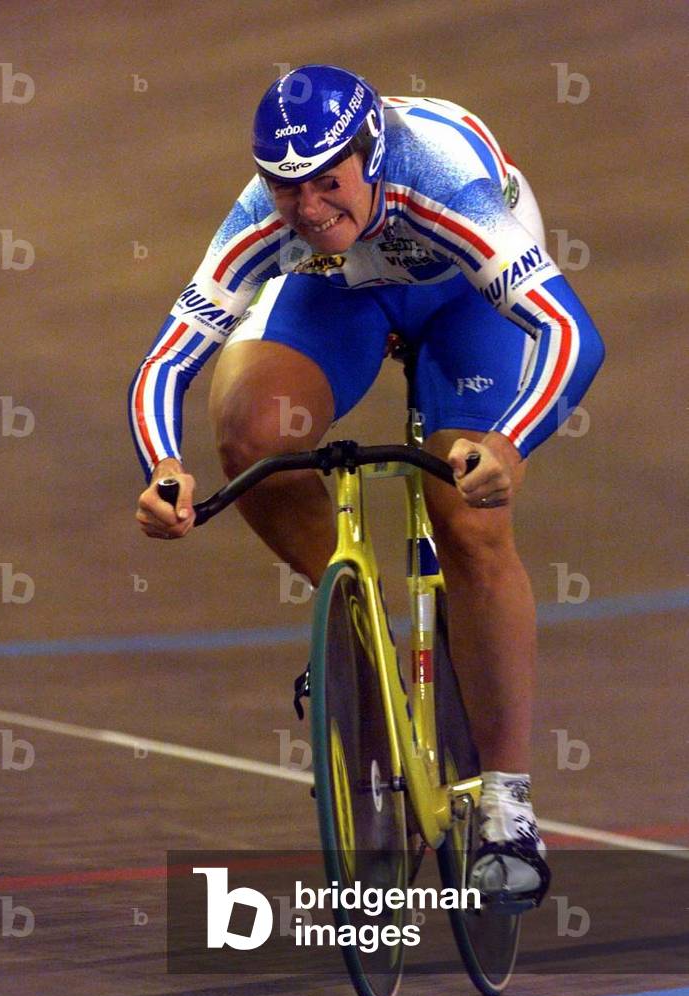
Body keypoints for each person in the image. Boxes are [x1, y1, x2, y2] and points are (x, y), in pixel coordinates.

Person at [130, 64, 604, 909]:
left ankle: (506, 804)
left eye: (327, 182)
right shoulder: (266, 217)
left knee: (466, 514)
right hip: (337, 292)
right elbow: (169, 358)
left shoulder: (443, 184)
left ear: (371, 155)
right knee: (251, 430)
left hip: (462, 296)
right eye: (287, 189)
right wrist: (161, 468)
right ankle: (359, 639)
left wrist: (513, 444)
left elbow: (573, 333)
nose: (307, 208)